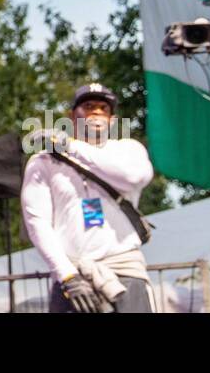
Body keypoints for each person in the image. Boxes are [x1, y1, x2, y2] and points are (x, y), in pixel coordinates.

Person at [21, 84, 156, 313]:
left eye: (103, 108)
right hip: (73, 277)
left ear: (112, 120)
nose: (96, 113)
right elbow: (37, 223)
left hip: (125, 272)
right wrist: (67, 275)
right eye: (88, 106)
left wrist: (70, 146)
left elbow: (133, 177)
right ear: (72, 116)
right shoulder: (44, 161)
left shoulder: (128, 151)